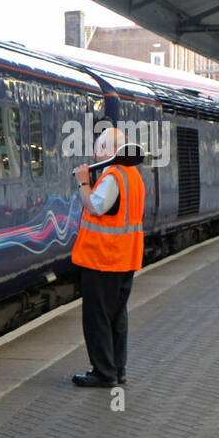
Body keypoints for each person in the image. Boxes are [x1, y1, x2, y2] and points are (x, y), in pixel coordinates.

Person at [70, 128, 146, 387]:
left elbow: (94, 206)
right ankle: (117, 370)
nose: (95, 153)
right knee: (116, 316)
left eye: (98, 148)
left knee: (97, 317)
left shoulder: (113, 175)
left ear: (106, 150)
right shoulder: (132, 174)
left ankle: (103, 373)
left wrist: (83, 182)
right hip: (124, 257)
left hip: (103, 258)